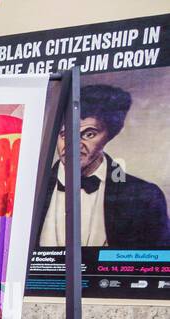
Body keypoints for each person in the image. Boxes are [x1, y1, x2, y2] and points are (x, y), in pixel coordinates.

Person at [38, 83, 170, 250]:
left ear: (109, 135)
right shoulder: (28, 192)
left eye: (89, 134)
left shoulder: (144, 196)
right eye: (66, 134)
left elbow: (156, 264)